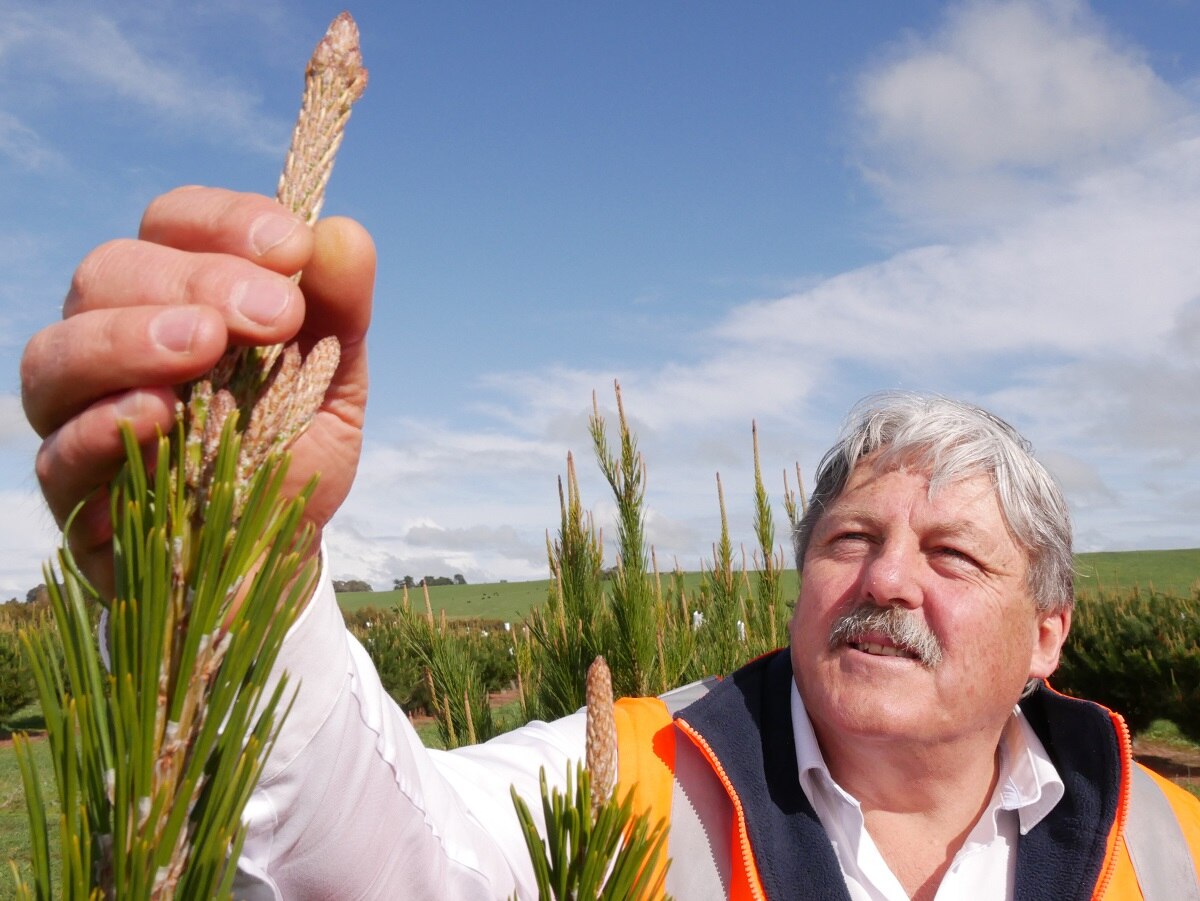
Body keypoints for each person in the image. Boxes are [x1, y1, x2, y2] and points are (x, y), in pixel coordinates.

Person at [21, 187, 1200, 900]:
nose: (883, 578)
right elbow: (380, 864)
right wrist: (245, 566)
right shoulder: (635, 774)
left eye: (951, 556)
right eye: (849, 537)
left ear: (1049, 630)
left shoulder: (1169, 839)